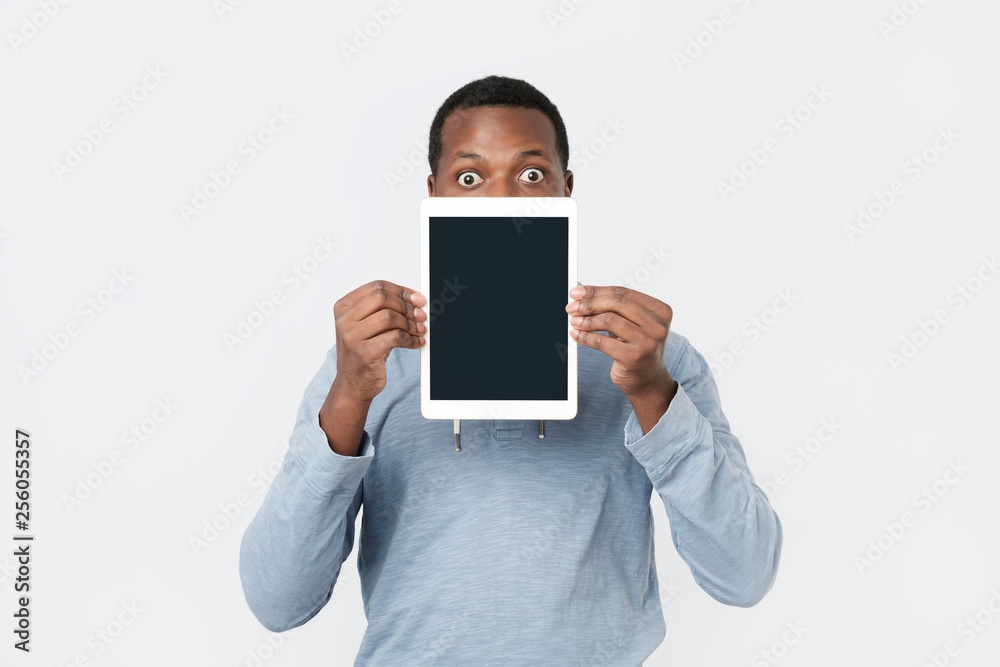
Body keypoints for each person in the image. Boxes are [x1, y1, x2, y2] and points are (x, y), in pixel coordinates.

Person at [239, 74, 782, 665]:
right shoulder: (373, 360)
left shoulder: (650, 357)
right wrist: (348, 396)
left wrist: (654, 394)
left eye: (530, 175)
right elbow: (278, 601)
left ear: (565, 190)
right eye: (469, 178)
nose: (500, 201)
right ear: (434, 194)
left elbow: (745, 575)